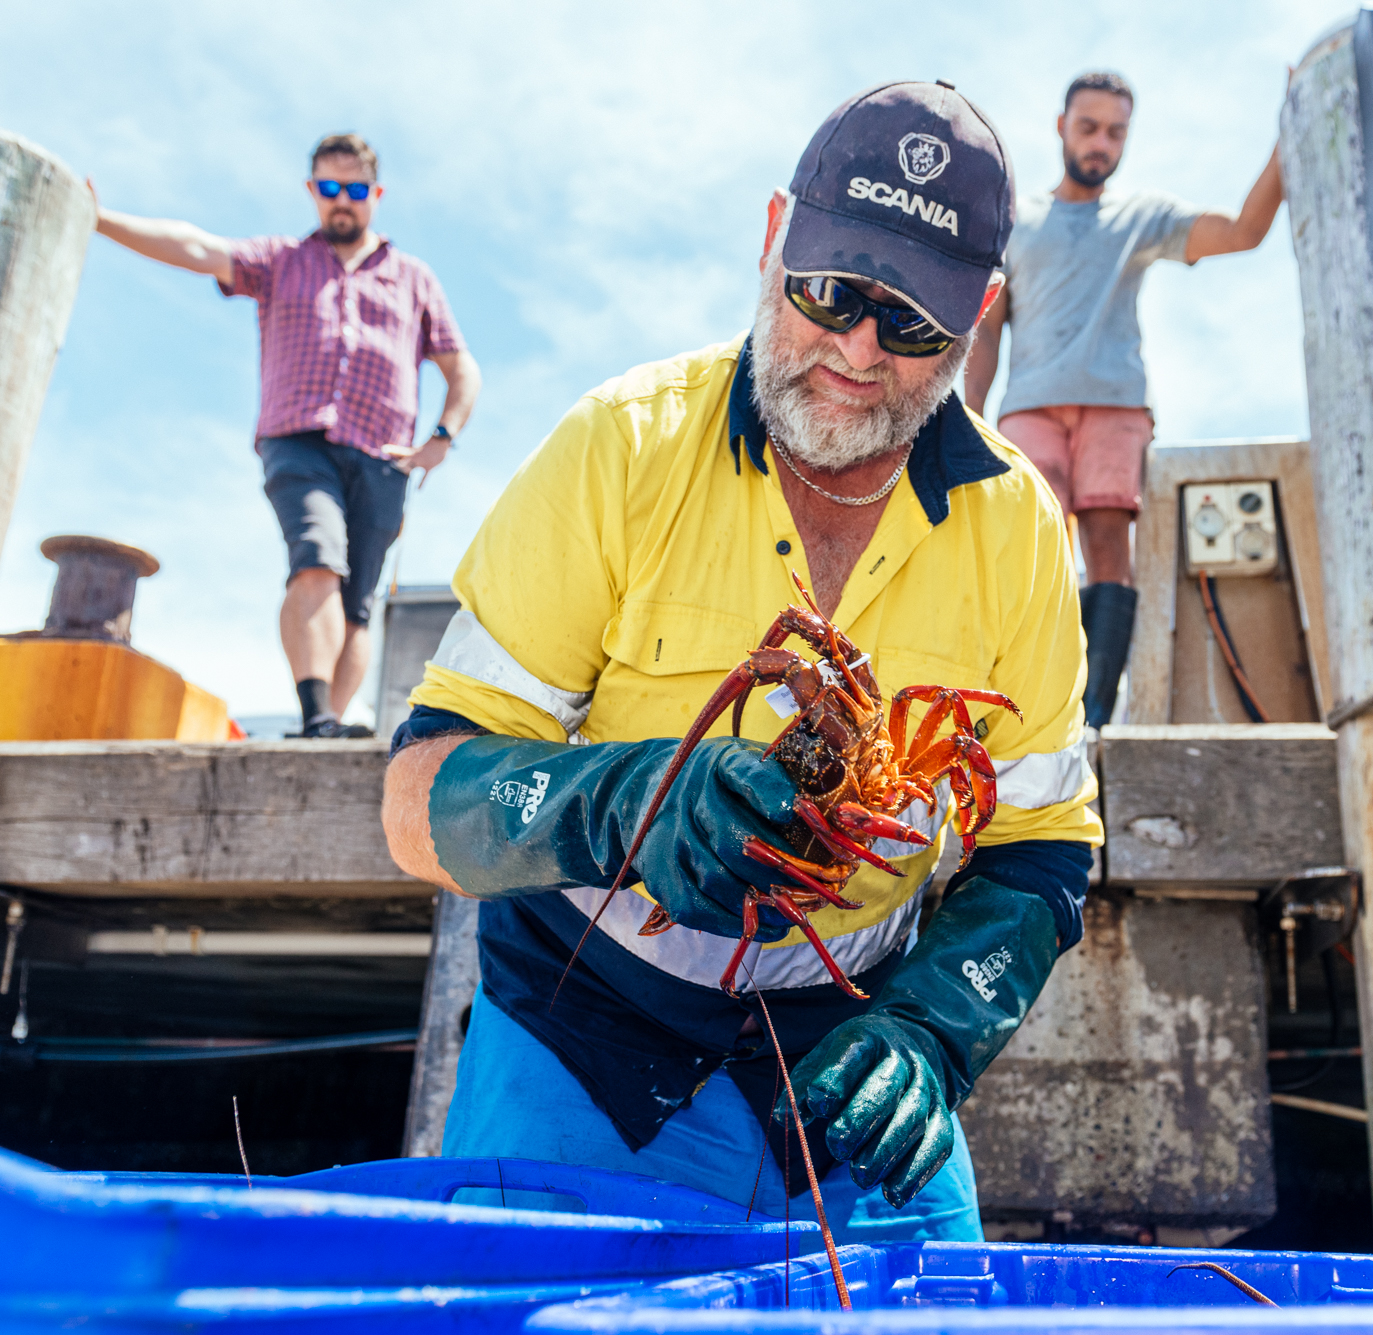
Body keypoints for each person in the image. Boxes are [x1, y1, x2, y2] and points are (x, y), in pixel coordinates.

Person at [381, 82, 1100, 1242]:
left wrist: (932, 1029)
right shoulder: (618, 446)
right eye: (830, 292)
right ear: (773, 237)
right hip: (583, 1028)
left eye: (912, 324)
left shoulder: (1019, 529)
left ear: (978, 316)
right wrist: (622, 803)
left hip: (849, 1051)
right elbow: (417, 804)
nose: (856, 351)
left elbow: (1043, 843)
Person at [90, 133, 482, 738]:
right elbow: (197, 247)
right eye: (329, 187)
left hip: (384, 456)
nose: (341, 199)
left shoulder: (413, 279)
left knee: (358, 603)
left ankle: (326, 731)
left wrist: (441, 437)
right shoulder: (280, 260)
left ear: (376, 195)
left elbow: (462, 370)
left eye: (354, 189)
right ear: (312, 191)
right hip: (297, 439)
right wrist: (101, 220)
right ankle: (316, 714)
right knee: (316, 556)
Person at [964, 71, 1285, 728]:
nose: (1101, 143)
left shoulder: (1141, 217)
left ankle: (1094, 715)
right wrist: (968, 416)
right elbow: (987, 331)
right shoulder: (1015, 223)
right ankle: (1029, 708)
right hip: (1030, 408)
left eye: (1115, 132)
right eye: (1089, 127)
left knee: (1109, 548)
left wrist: (1290, 136)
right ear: (1062, 127)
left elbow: (1243, 232)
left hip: (1115, 407)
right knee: (1031, 546)